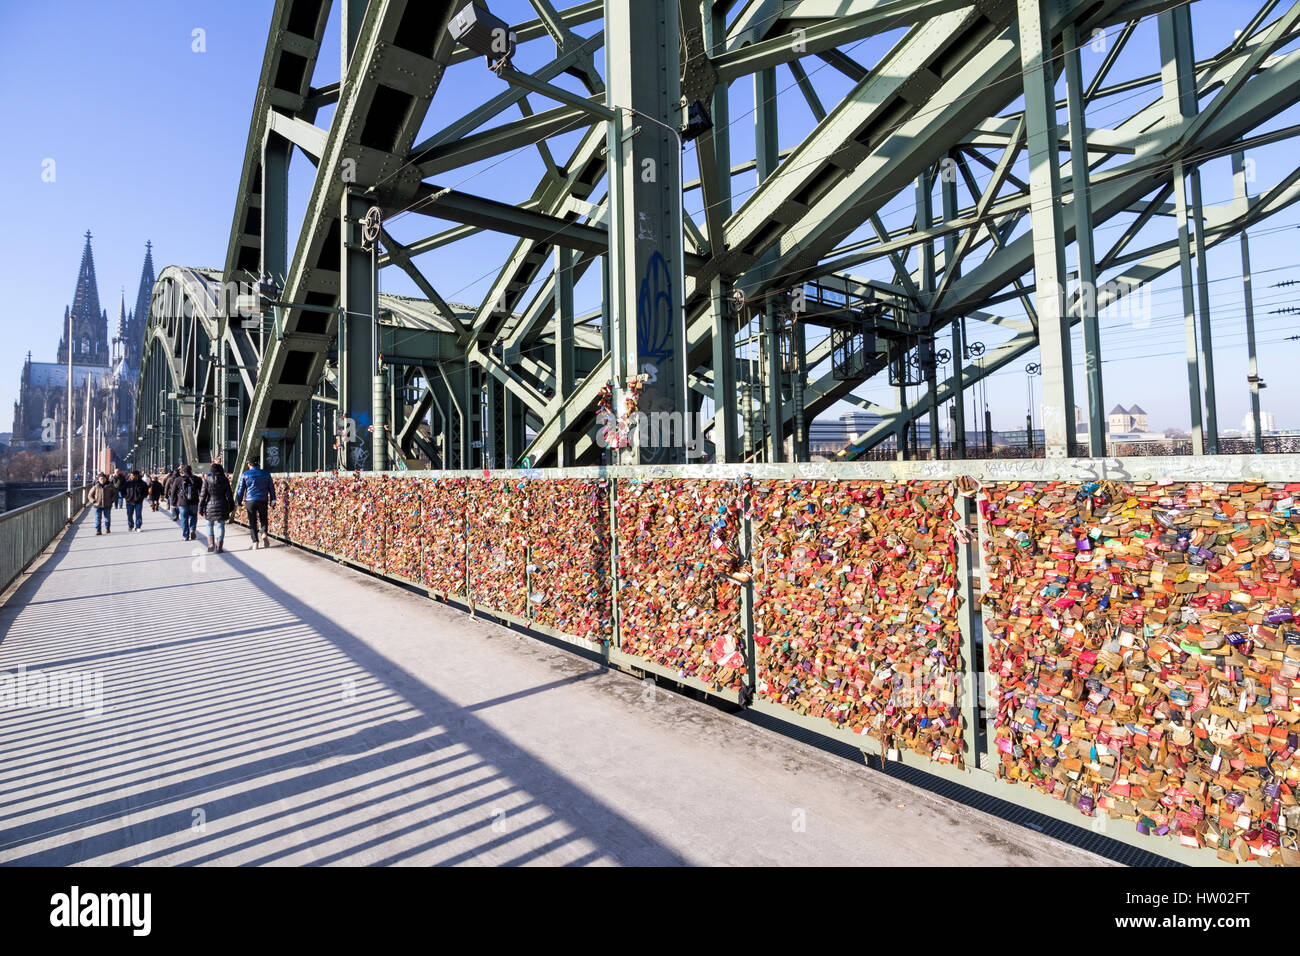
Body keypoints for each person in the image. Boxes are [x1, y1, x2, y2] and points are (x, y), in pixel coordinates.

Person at [235, 459, 276, 549]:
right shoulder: (266, 473)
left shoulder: (245, 474)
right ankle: (264, 533)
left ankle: (255, 542)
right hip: (263, 499)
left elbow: (241, 489)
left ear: (250, 464)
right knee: (263, 518)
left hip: (250, 500)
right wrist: (273, 500)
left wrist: (239, 501)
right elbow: (271, 488)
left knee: (252, 521)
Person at [198, 463, 235, 554]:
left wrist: (200, 508)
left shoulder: (207, 479)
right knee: (220, 526)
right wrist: (231, 506)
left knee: (209, 525)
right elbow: (229, 495)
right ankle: (219, 546)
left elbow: (203, 495)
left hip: (209, 505)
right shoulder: (225, 479)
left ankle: (211, 544)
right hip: (222, 504)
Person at [174, 464, 202, 541]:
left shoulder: (178, 479)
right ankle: (192, 529)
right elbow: (202, 490)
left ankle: (186, 536)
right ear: (191, 471)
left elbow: (173, 491)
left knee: (184, 519)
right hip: (194, 501)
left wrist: (173, 503)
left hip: (183, 503)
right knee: (193, 516)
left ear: (183, 471)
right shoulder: (197, 479)